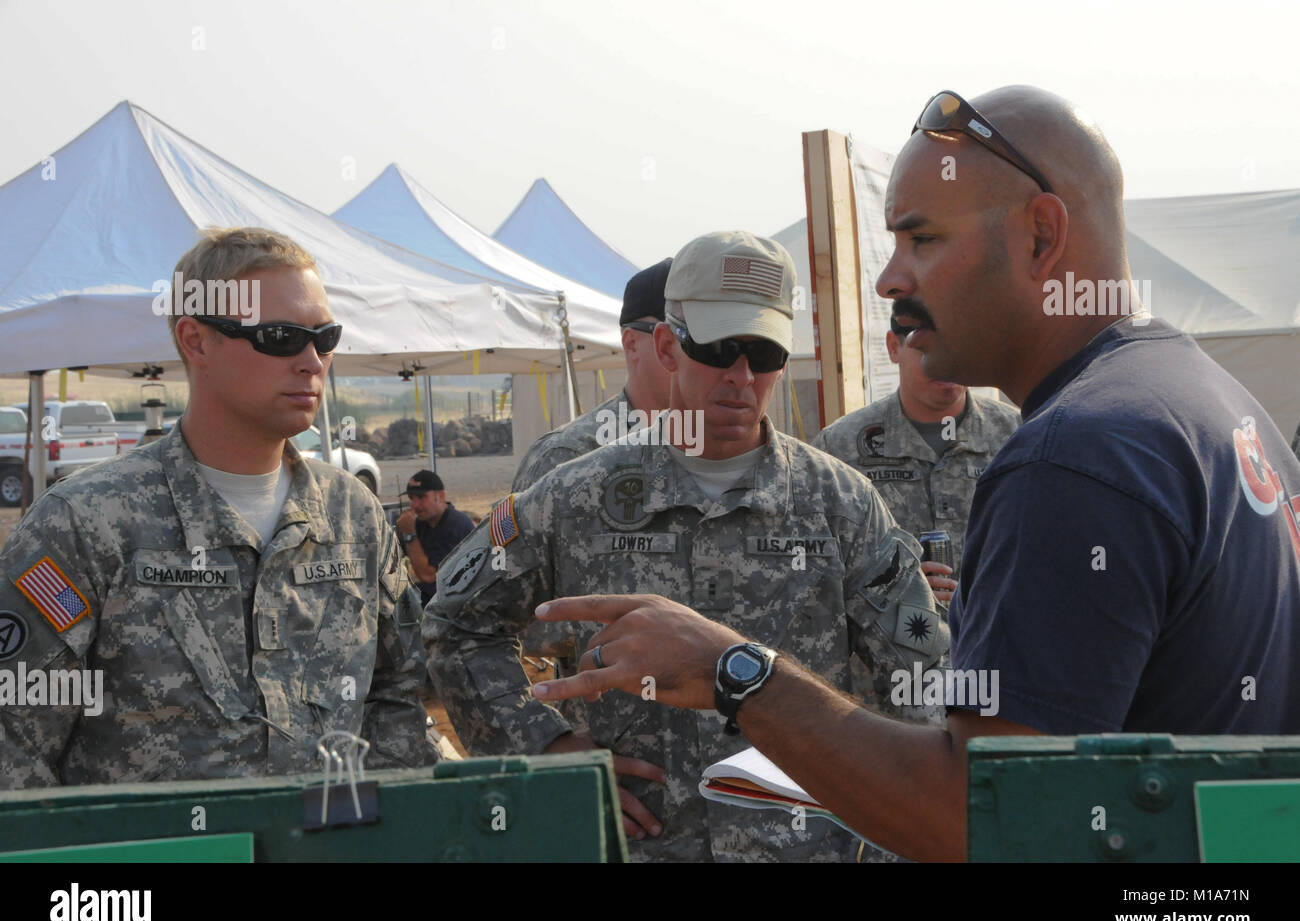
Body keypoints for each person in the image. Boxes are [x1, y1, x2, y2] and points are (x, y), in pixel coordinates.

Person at [529, 87, 1300, 862]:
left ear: (1042, 234)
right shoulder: (1221, 411)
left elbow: (977, 818)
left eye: (922, 238)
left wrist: (733, 670)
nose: (889, 281)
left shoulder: (1075, 457)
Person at [426, 231, 947, 862]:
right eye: (720, 348)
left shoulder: (842, 505)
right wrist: (546, 748)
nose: (742, 377)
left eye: (764, 353)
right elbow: (456, 626)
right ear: (669, 347)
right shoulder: (578, 495)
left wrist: (893, 834)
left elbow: (919, 683)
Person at [0, 226, 438, 789]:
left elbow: (396, 695)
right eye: (280, 337)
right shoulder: (84, 523)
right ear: (196, 340)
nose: (312, 361)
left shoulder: (353, 515)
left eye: (323, 337)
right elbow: (14, 749)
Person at [813, 319, 1020, 605]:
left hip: (993, 642)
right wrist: (887, 587)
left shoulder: (1019, 437)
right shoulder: (839, 448)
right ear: (892, 346)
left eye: (960, 345)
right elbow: (813, 571)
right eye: (928, 347)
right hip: (885, 646)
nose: (946, 361)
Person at [511, 258, 674, 492]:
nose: (698, 352)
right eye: (678, 336)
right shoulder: (566, 458)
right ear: (632, 344)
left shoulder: (722, 449)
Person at [395, 469, 475, 606]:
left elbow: (430, 576)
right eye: (411, 498)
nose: (415, 505)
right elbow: (393, 550)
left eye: (421, 497)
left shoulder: (456, 525)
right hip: (429, 599)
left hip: (456, 603)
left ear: (441, 496)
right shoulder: (420, 522)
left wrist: (409, 534)